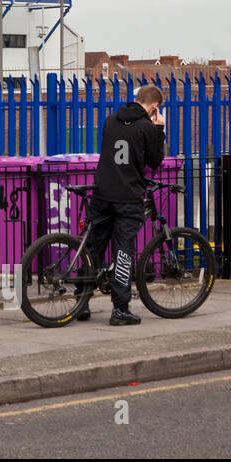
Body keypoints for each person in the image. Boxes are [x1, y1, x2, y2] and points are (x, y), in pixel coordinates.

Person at [76, 84, 167, 325]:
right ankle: (120, 309)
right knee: (123, 251)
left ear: (136, 99)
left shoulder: (110, 120)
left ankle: (80, 302)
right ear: (155, 106)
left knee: (92, 248)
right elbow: (155, 161)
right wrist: (160, 130)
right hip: (128, 197)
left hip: (102, 192)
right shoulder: (148, 126)